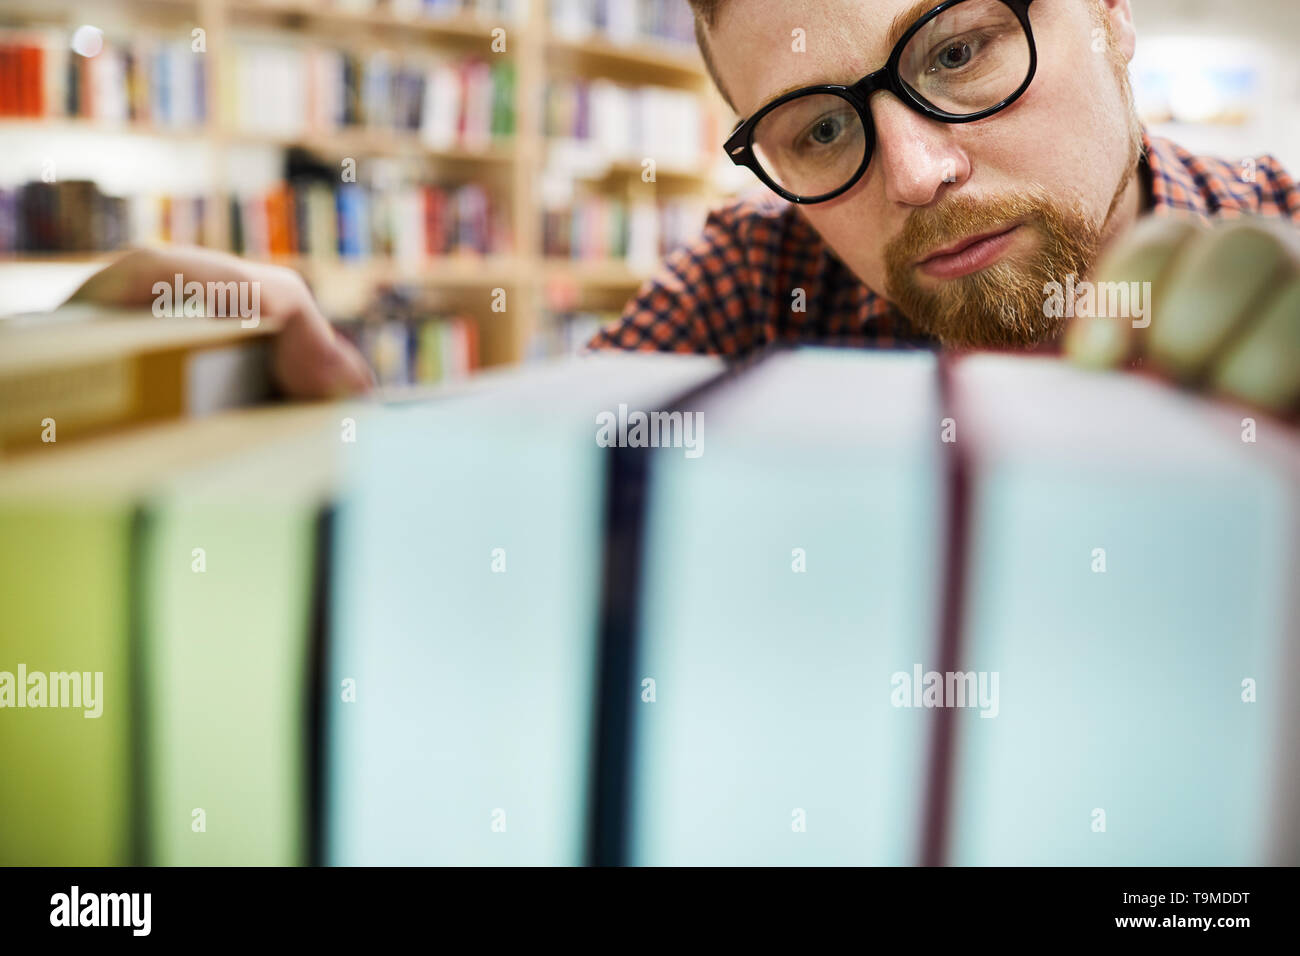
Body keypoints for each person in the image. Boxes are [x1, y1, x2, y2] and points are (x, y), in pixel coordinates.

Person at [69, 0, 1300, 412]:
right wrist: (255, 412)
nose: (918, 173)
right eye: (820, 129)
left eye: (960, 50)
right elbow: (537, 488)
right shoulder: (763, 277)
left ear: (1108, 15)